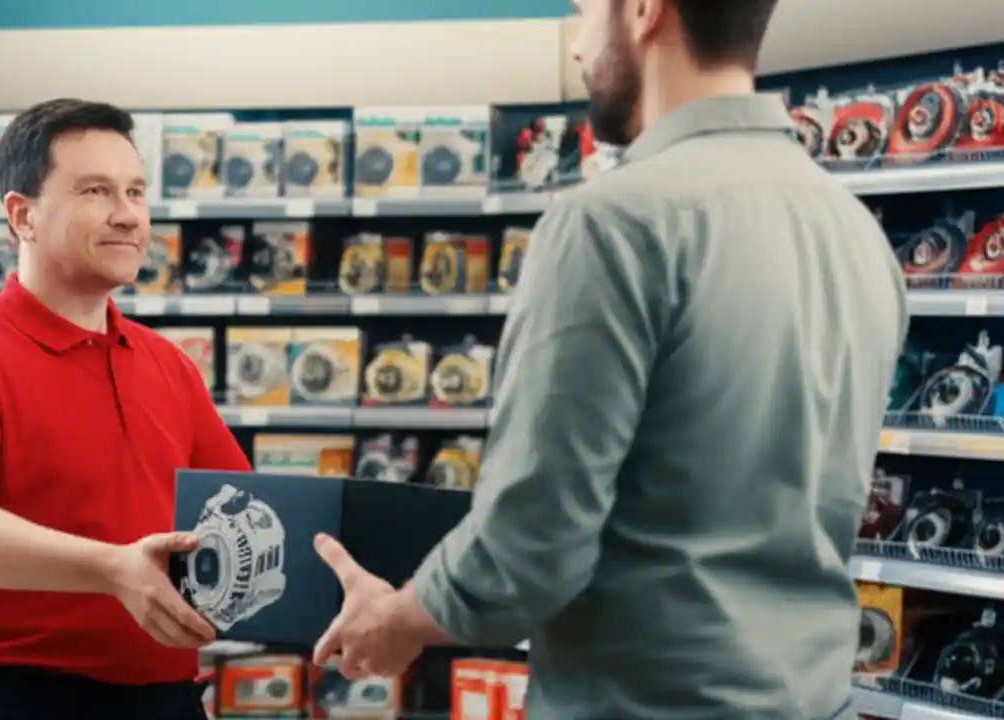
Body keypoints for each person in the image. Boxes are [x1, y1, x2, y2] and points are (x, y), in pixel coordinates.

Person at [311, 0, 909, 718]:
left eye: (585, 12)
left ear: (645, 11)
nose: (577, 47)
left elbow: (529, 549)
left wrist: (400, 616)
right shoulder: (854, 234)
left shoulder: (611, 224)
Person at [0, 98, 251, 720]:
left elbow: (253, 509)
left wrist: (357, 584)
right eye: (96, 191)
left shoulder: (166, 364)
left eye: (136, 192)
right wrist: (110, 569)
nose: (127, 216)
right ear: (23, 215)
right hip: (28, 701)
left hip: (170, 700)